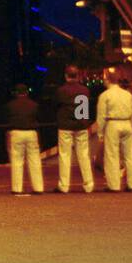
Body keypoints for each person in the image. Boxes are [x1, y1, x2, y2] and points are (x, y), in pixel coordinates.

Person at [54, 65, 94, 193]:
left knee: (65, 156)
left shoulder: (61, 90)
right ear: (78, 75)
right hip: (81, 125)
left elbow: (55, 106)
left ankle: (64, 186)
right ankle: (89, 184)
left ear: (66, 76)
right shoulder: (85, 90)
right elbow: (84, 109)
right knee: (83, 155)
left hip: (65, 126)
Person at [96, 69, 132, 192]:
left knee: (112, 156)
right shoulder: (128, 94)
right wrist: (130, 125)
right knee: (129, 156)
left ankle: (113, 185)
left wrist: (100, 133)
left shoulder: (105, 95)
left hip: (112, 123)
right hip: (126, 123)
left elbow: (101, 116)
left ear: (107, 80)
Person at [6, 83, 43, 194]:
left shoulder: (10, 105)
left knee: (17, 161)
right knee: (35, 161)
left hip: (16, 132)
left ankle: (17, 188)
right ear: (27, 92)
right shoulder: (34, 105)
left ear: (16, 93)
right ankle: (38, 187)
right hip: (31, 132)